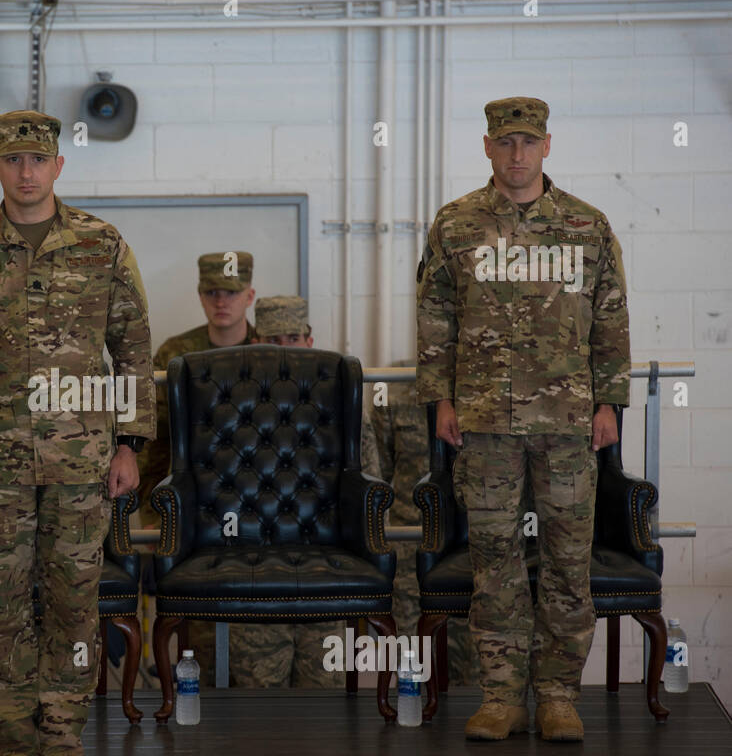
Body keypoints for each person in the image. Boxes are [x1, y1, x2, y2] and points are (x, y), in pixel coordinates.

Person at [0, 110, 154, 756]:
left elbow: (134, 346)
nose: (26, 173)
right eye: (13, 161)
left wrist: (130, 442)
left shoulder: (101, 245)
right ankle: (12, 755)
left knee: (75, 604)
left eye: (37, 161)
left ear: (57, 167)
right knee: (0, 605)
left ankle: (66, 748)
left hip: (81, 460)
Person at [415, 96, 630, 741]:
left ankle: (560, 693)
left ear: (545, 146)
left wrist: (609, 402)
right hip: (483, 420)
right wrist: (440, 399)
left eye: (527, 143)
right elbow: (435, 318)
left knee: (567, 557)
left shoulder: (587, 226)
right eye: (505, 142)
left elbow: (612, 316)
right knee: (495, 558)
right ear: (487, 146)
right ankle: (502, 695)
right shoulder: (455, 224)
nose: (516, 154)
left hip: (567, 422)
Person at [139, 252, 257, 684]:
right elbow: (155, 444)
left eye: (230, 293)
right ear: (200, 296)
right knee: (198, 632)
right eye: (211, 292)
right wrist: (152, 517)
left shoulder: (267, 351)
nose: (220, 302)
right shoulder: (176, 355)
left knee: (257, 638)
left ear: (250, 295)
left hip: (256, 510)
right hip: (194, 509)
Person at [227, 295, 344, 689]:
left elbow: (366, 476)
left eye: (293, 337)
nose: (284, 350)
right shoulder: (233, 410)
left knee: (325, 702)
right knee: (257, 706)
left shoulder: (339, 403)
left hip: (322, 569)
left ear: (310, 342)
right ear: (256, 345)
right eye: (274, 339)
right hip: (256, 569)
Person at [361, 360, 480, 687]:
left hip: (476, 542)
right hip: (409, 545)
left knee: (476, 664)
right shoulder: (396, 387)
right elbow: (380, 471)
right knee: (410, 663)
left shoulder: (487, 381)